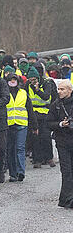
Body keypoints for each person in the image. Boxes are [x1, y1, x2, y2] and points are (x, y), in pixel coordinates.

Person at [46, 79, 73, 207]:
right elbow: (48, 123)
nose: (59, 91)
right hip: (62, 141)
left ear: (70, 90)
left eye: (62, 89)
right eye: (59, 89)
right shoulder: (55, 105)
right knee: (66, 171)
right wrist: (61, 124)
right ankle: (66, 199)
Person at [5, 73, 33, 182]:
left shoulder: (23, 93)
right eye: (10, 80)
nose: (12, 81)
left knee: (20, 148)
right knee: (10, 149)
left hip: (21, 124)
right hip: (9, 125)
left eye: (14, 80)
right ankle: (13, 174)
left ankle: (21, 172)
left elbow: (29, 109)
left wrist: (34, 125)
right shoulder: (5, 93)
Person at [27, 68, 56, 168]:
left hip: (45, 112)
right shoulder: (27, 86)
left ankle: (49, 158)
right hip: (33, 113)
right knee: (35, 137)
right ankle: (37, 159)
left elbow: (46, 96)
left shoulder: (46, 84)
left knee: (46, 136)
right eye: (30, 80)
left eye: (34, 79)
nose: (32, 82)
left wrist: (38, 90)